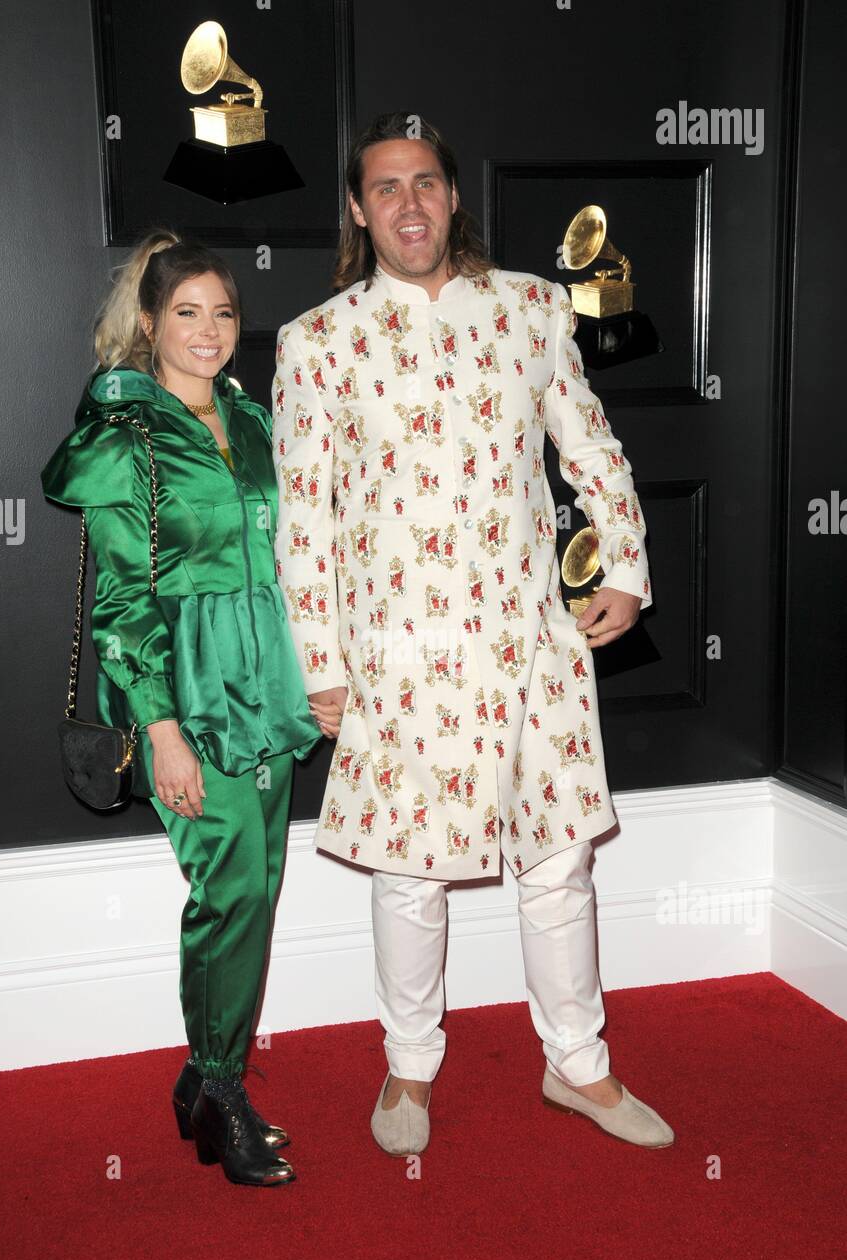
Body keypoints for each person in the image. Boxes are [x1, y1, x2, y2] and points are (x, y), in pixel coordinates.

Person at [273, 113, 673, 1156]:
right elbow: (302, 523)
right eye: (385, 187)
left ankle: (576, 1066)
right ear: (359, 211)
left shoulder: (534, 310)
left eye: (425, 182)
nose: (409, 202)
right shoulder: (318, 343)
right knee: (408, 872)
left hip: (528, 644)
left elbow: (591, 449)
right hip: (396, 658)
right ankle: (408, 1067)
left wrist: (622, 567)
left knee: (559, 864)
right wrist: (321, 666)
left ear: (452, 197)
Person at [41, 230, 323, 1186]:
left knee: (256, 890)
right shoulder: (125, 437)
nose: (208, 332)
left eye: (224, 312)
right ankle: (219, 1088)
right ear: (152, 322)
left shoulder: (248, 419)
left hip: (266, 683)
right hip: (186, 696)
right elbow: (119, 604)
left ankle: (206, 1082)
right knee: (232, 892)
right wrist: (161, 731)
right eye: (187, 313)